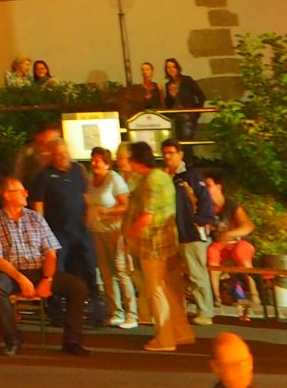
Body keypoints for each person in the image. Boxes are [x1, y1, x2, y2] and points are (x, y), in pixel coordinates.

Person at [0, 174, 89, 356]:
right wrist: (20, 278)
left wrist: (47, 279)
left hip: (39, 268)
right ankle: (12, 339)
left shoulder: (36, 218)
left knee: (78, 286)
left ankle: (72, 341)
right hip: (12, 271)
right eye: (21, 191)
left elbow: (50, 251)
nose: (26, 194)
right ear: (7, 195)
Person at [126, 143, 192, 353]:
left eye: (128, 159)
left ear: (136, 160)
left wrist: (130, 234)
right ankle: (182, 332)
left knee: (156, 290)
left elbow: (147, 215)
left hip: (153, 245)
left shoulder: (151, 181)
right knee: (167, 288)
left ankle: (165, 338)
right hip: (168, 241)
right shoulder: (162, 176)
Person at [30, 132, 101, 322]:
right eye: (57, 154)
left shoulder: (78, 170)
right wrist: (41, 232)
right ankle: (56, 309)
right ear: (51, 155)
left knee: (88, 264)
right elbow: (38, 205)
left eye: (64, 153)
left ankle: (95, 304)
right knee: (56, 270)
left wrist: (89, 214)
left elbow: (85, 195)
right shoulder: (44, 175)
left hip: (79, 228)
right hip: (57, 231)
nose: (61, 157)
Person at [164, 141, 217, 325]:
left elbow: (204, 199)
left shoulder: (190, 175)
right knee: (175, 274)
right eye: (165, 153)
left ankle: (205, 311)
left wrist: (200, 220)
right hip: (172, 233)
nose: (167, 156)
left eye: (171, 152)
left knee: (197, 273)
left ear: (180, 154)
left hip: (191, 233)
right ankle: (179, 308)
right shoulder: (166, 177)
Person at [85, 147, 136, 329]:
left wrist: (107, 211)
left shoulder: (115, 179)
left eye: (98, 160)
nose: (94, 163)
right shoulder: (90, 180)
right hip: (97, 231)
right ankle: (116, 312)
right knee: (106, 273)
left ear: (107, 163)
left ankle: (132, 313)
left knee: (120, 271)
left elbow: (126, 205)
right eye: (93, 159)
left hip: (115, 230)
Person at [207, 174, 257, 322]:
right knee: (211, 252)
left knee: (240, 252)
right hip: (219, 245)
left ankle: (254, 293)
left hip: (238, 242)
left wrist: (230, 233)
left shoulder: (231, 205)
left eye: (209, 185)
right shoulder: (206, 208)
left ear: (219, 187)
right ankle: (215, 296)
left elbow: (248, 226)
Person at [163, 58, 206, 142]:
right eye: (168, 67)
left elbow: (201, 96)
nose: (171, 69)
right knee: (178, 142)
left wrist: (196, 112)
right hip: (175, 118)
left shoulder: (187, 80)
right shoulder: (168, 84)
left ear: (177, 68)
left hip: (188, 117)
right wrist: (172, 96)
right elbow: (168, 105)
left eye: (173, 67)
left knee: (187, 141)